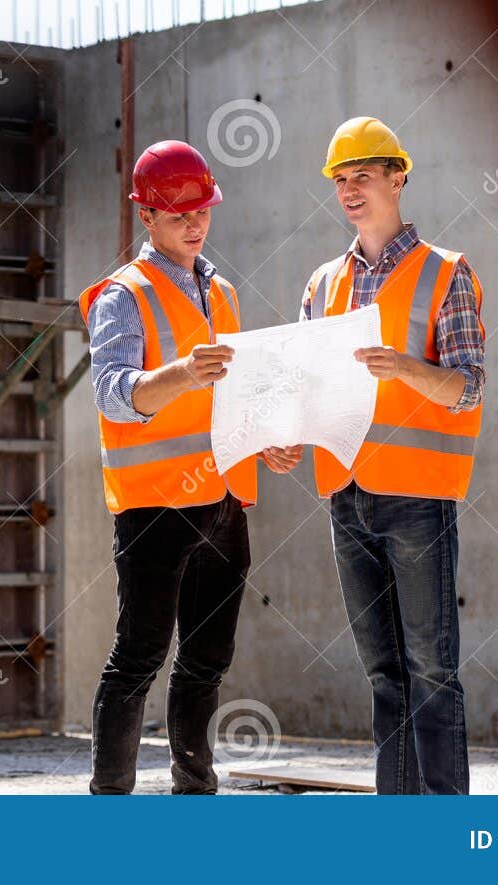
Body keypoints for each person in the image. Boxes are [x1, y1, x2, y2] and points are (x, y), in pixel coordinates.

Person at [77, 140, 300, 794]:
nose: (195, 223)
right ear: (146, 216)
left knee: (207, 659)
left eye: (202, 210)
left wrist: (268, 443)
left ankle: (194, 786)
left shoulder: (222, 291)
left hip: (224, 503)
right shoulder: (125, 295)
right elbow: (112, 393)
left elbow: (238, 398)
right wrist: (178, 373)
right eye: (179, 214)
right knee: (140, 655)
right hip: (154, 507)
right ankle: (110, 795)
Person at [297, 116, 486, 795]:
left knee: (432, 670)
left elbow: (467, 385)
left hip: (416, 495)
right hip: (344, 494)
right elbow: (304, 385)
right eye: (340, 180)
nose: (350, 190)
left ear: (398, 177)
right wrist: (289, 432)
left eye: (364, 176)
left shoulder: (445, 272)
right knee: (385, 676)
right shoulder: (322, 285)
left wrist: (405, 367)